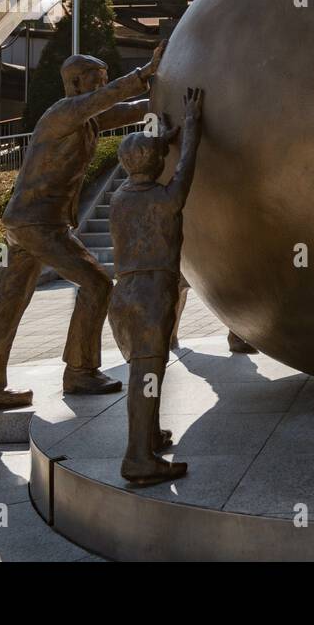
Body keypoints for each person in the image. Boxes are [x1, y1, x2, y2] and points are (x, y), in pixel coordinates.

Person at [0, 42, 165, 414]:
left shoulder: (86, 118)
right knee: (97, 283)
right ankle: (80, 370)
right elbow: (106, 100)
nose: (102, 86)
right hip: (38, 223)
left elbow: (131, 110)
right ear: (74, 83)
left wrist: (169, 97)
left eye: (105, 79)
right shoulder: (64, 113)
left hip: (31, 222)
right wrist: (143, 74)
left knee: (8, 303)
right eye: (96, 81)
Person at [109, 88, 203, 485]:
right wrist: (192, 127)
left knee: (143, 372)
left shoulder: (118, 198)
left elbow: (150, 162)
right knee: (146, 376)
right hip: (151, 296)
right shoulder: (167, 199)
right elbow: (187, 168)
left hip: (123, 295)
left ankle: (148, 436)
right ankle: (137, 459)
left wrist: (158, 141)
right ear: (157, 161)